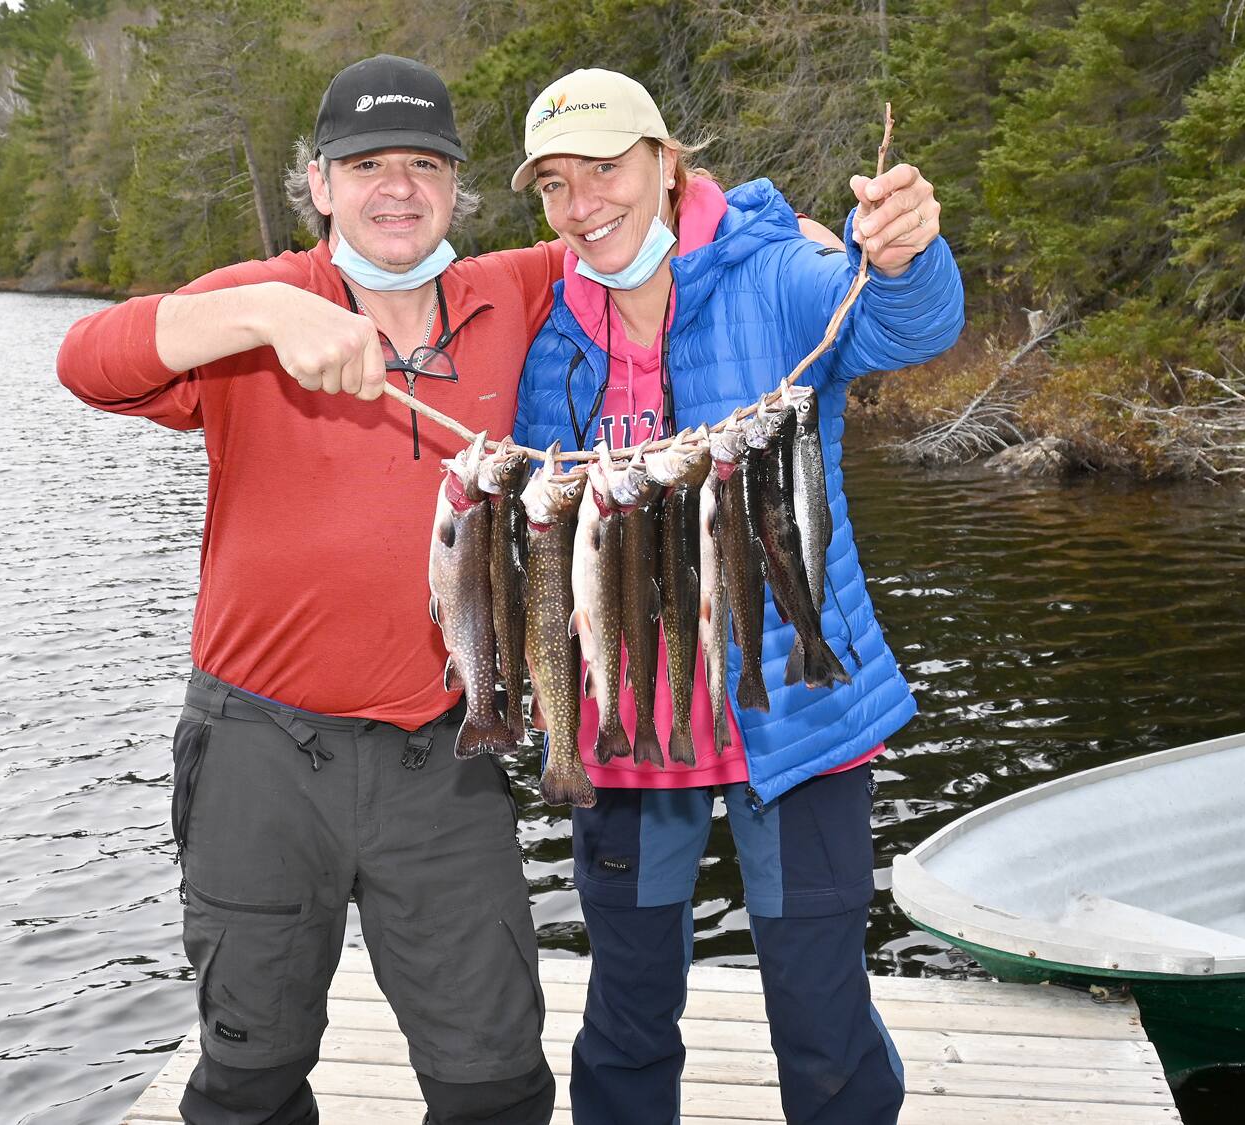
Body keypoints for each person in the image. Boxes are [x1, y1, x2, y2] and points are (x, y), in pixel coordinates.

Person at [56, 56, 562, 1125]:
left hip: (447, 750)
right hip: (259, 755)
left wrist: (791, 230)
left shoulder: (507, 292)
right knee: (249, 1079)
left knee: (497, 1084)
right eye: (365, 163)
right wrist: (262, 319)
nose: (396, 187)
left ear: (454, 187)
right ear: (319, 183)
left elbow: (635, 220)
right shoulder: (256, 301)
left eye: (423, 164)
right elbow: (87, 360)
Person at [507, 70, 965, 1124]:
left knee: (820, 1019)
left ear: (666, 165)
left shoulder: (772, 275)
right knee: (624, 1015)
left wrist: (899, 253)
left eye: (607, 170)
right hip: (630, 733)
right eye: (555, 187)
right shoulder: (551, 337)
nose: (583, 206)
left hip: (796, 727)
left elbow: (902, 325)